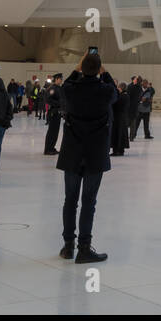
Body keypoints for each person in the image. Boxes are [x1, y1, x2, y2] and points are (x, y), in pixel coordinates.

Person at [57, 52, 118, 264]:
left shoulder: (71, 90)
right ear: (100, 70)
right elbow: (115, 91)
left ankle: (68, 247)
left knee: (70, 200)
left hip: (72, 152)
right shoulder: (106, 91)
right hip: (95, 153)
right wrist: (105, 71)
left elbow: (65, 85)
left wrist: (77, 68)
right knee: (89, 202)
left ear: (82, 68)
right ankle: (84, 248)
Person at [43, 74, 64, 155]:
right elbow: (48, 99)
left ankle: (52, 148)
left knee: (55, 132)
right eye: (60, 79)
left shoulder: (59, 88)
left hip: (57, 112)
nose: (61, 80)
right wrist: (58, 104)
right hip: (53, 112)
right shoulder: (52, 88)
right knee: (52, 132)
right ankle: (48, 149)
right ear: (56, 79)